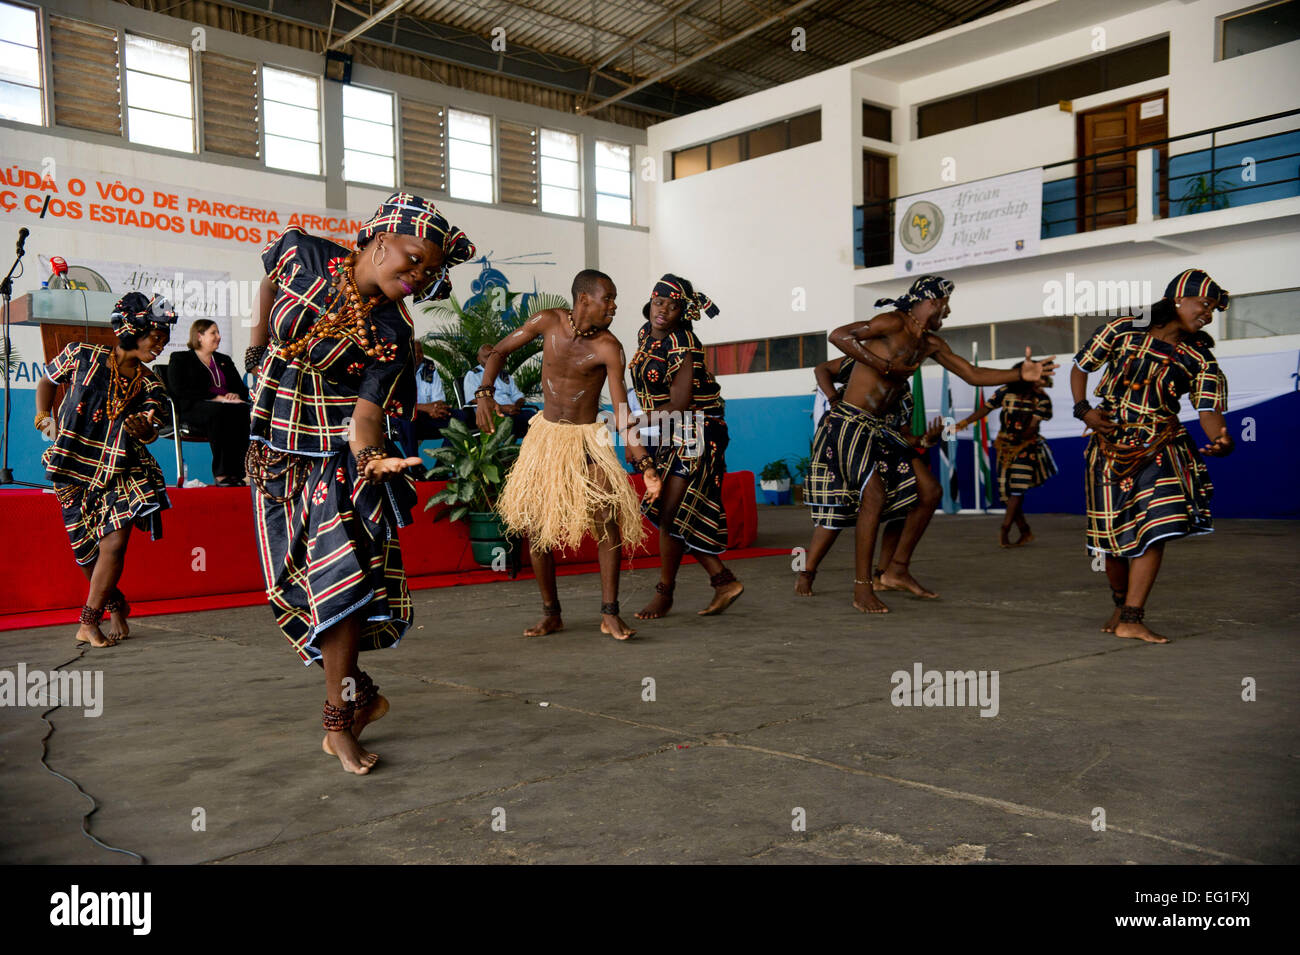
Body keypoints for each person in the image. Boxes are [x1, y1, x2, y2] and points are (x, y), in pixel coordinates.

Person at [245, 193, 476, 775]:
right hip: (275, 446)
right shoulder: (302, 254)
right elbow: (269, 283)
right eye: (415, 259)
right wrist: (255, 345)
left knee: (341, 585)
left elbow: (366, 416)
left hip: (335, 452)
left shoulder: (394, 333)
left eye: (430, 272)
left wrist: (373, 456)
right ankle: (362, 694)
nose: (420, 277)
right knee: (294, 590)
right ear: (380, 239)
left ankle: (338, 720)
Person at [800, 275, 1056, 612]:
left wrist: (1019, 375)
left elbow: (972, 374)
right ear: (930, 302)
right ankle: (859, 587)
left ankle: (896, 570)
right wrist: (882, 365)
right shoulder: (891, 323)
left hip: (881, 430)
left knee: (928, 491)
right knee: (866, 500)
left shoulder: (930, 345)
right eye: (944, 304)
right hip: (849, 422)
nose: (947, 312)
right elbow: (837, 336)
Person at [481, 269, 662, 640]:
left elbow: (622, 409)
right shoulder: (547, 322)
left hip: (586, 440)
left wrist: (645, 465)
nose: (614, 306)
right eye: (607, 298)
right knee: (535, 528)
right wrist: (485, 391)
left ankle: (609, 614)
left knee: (607, 518)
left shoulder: (609, 347)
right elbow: (498, 351)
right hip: (545, 439)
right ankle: (552, 613)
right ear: (584, 300)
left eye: (613, 299)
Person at [1071, 268, 1233, 644]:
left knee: (1155, 527)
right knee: (1110, 540)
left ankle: (1132, 616)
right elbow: (1081, 366)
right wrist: (1084, 411)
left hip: (1160, 445)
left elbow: (1209, 413)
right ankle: (1119, 604)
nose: (1208, 315)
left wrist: (1222, 441)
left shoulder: (1200, 358)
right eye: (1203, 305)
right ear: (1178, 299)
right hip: (1109, 446)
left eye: (1212, 310)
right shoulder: (1124, 328)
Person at [34, 292, 177, 647]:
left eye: (164, 341)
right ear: (133, 331)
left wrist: (146, 430)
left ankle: (88, 621)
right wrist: (43, 415)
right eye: (155, 338)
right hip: (72, 464)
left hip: (121, 467)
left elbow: (152, 425)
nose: (160, 346)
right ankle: (116, 605)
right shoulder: (81, 355)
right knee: (85, 552)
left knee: (114, 542)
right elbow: (48, 380)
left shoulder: (151, 385)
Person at [628, 275, 743, 620]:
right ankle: (721, 581)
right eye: (659, 301)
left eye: (673, 305)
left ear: (683, 311)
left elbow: (679, 403)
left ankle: (668, 593)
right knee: (671, 512)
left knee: (669, 509)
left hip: (697, 429)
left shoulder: (684, 343)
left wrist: (634, 422)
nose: (663, 310)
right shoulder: (645, 334)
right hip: (666, 429)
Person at [955, 364, 1057, 547]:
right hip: (1004, 448)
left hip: (1026, 448)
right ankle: (1025, 531)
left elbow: (1032, 427)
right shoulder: (1004, 391)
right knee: (1006, 493)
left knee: (1017, 489)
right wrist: (964, 422)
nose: (1039, 383)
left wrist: (1017, 437)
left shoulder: (1041, 399)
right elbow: (986, 409)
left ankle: (1005, 529)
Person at [167, 319, 251, 485]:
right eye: (214, 333)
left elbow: (241, 389)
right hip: (191, 408)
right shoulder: (181, 358)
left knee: (242, 410)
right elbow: (179, 389)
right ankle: (222, 474)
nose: (218, 337)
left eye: (218, 333)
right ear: (199, 336)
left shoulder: (223, 360)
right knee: (218, 412)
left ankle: (239, 473)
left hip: (225, 408)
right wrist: (217, 398)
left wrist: (234, 395)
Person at [392, 357, 476, 472]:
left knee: (460, 417)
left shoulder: (429, 368)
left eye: (420, 352)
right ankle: (415, 466)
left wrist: (435, 409)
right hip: (403, 416)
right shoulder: (396, 369)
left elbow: (439, 399)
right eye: (414, 352)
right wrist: (426, 408)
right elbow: (396, 404)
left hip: (430, 414)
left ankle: (440, 467)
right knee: (408, 417)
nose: (418, 355)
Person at [463, 343, 536, 436]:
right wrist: (502, 408)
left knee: (535, 419)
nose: (491, 359)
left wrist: (516, 407)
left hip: (512, 412)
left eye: (493, 356)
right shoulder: (473, 375)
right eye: (487, 356)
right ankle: (508, 449)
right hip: (492, 414)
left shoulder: (504, 375)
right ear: (478, 359)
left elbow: (518, 396)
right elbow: (474, 399)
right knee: (507, 423)